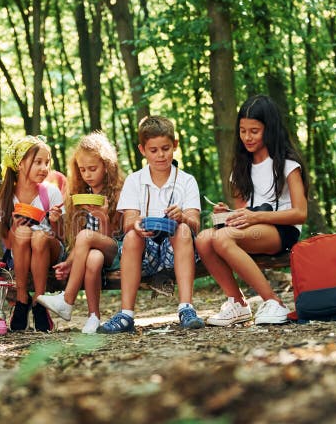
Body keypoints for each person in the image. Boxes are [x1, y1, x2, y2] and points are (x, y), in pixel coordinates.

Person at [195, 95, 308, 326]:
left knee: (223, 238)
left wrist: (254, 216)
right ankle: (237, 303)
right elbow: (242, 213)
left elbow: (300, 213)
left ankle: (274, 302)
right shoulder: (240, 169)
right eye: (243, 131)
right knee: (204, 238)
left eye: (254, 131)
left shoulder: (288, 165)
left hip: (283, 230)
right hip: (254, 229)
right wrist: (226, 213)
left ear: (270, 130)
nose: (247, 137)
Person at [96, 115, 205, 334]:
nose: (160, 155)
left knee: (182, 229)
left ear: (175, 145)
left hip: (177, 251)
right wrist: (136, 225)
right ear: (142, 150)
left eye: (165, 148)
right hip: (143, 253)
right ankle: (126, 314)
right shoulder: (135, 180)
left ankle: (186, 307)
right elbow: (128, 222)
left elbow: (195, 223)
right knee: (131, 236)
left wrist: (182, 216)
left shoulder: (186, 180)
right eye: (153, 150)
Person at [36, 132, 125, 333]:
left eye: (92, 169)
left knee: (88, 237)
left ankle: (67, 300)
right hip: (92, 253)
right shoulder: (78, 195)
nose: (87, 175)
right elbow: (77, 240)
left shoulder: (119, 192)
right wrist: (56, 221)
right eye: (82, 170)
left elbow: (115, 236)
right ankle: (93, 317)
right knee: (92, 256)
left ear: (107, 165)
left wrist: (103, 217)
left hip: (117, 250)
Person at [0, 135, 65, 332]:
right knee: (22, 232)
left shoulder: (51, 192)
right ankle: (23, 299)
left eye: (47, 162)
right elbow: (6, 241)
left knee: (39, 236)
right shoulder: (4, 197)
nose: (44, 168)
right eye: (38, 162)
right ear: (20, 164)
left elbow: (63, 236)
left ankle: (40, 301)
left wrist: (56, 221)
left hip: (50, 249)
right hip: (20, 252)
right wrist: (14, 229)